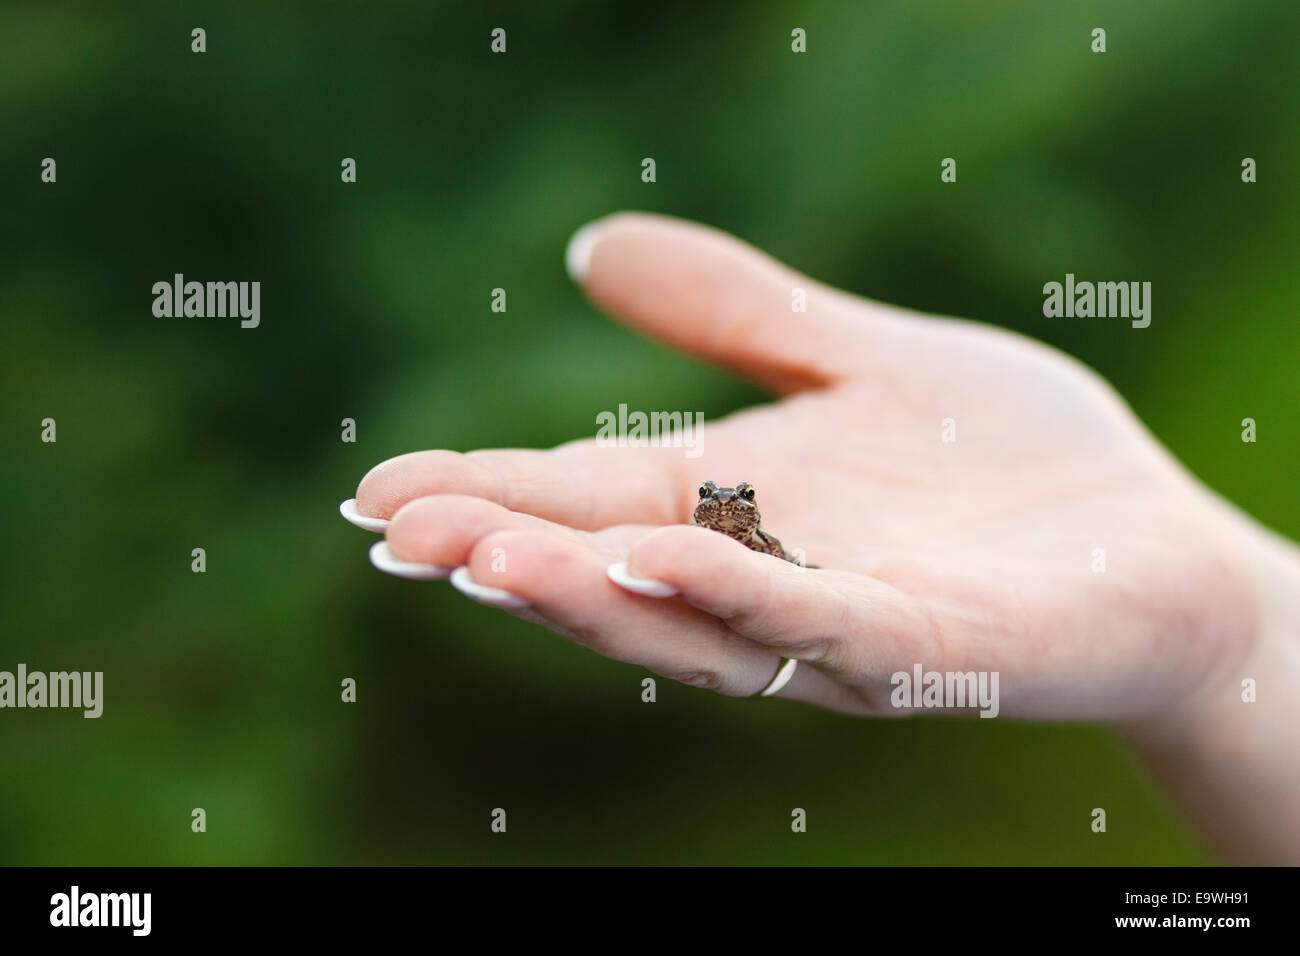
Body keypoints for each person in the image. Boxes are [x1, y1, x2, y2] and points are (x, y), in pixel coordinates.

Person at [341, 212, 1300, 864]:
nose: (724, 507)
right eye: (720, 505)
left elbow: (762, 546)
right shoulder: (722, 521)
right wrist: (1241, 645)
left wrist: (1238, 642)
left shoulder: (748, 532)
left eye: (729, 506)